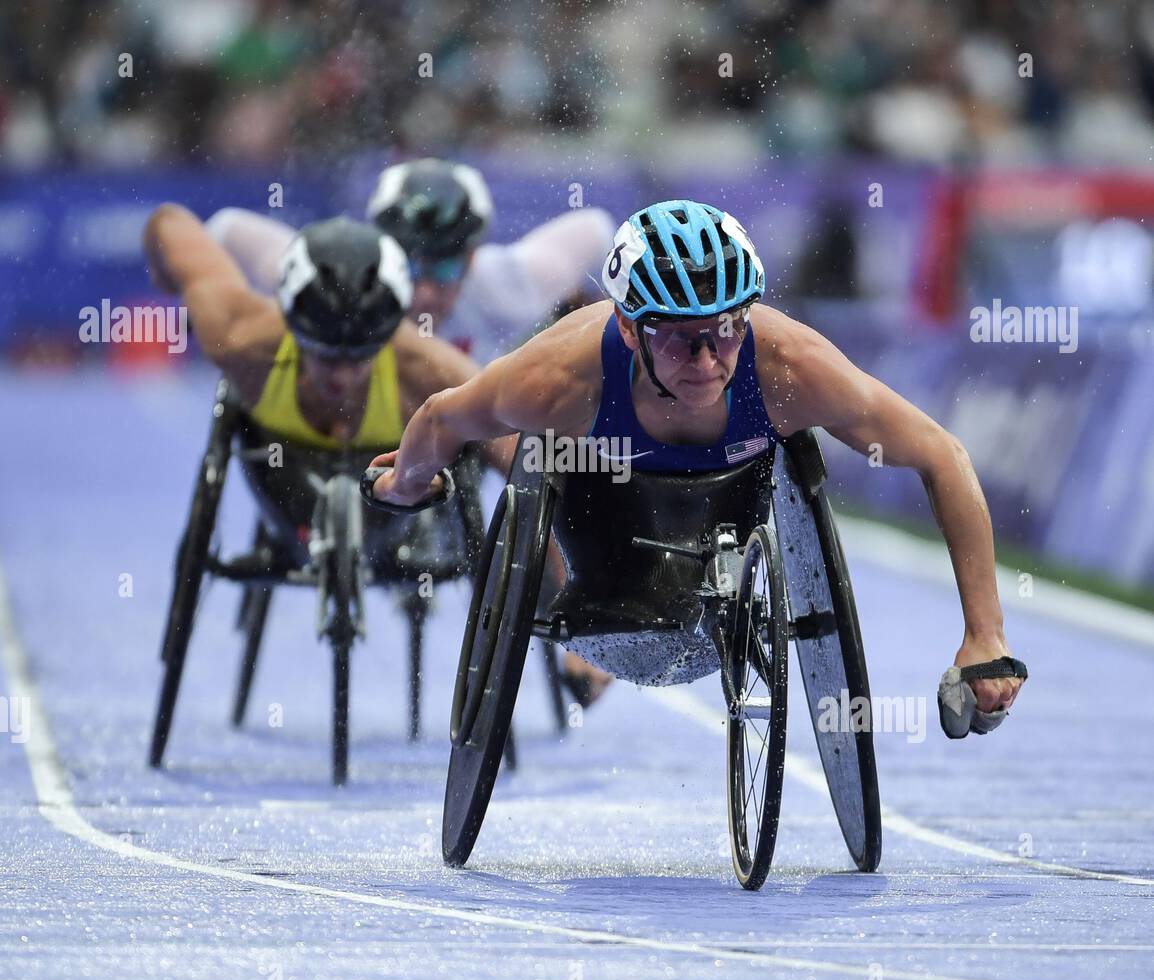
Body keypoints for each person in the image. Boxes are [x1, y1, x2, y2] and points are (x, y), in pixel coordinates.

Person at [366, 198, 1027, 734]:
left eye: (726, 330)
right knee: (546, 456)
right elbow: (441, 417)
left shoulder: (794, 369)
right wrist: (408, 484)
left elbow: (943, 455)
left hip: (728, 540)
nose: (709, 360)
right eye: (680, 339)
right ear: (629, 329)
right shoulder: (558, 376)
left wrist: (984, 635)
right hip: (600, 560)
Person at [143, 204, 495, 566]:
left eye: (359, 357)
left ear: (386, 336)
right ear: (294, 330)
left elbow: (514, 448)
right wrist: (165, 277)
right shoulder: (240, 337)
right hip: (283, 477)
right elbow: (168, 222)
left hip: (391, 497)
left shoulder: (428, 367)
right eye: (326, 357)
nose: (341, 377)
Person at [205, 157, 615, 362]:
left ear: (472, 258)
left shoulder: (512, 284)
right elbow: (224, 229)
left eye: (444, 271)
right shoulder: (336, 277)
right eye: (408, 268)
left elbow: (598, 229)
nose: (423, 294)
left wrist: (600, 311)